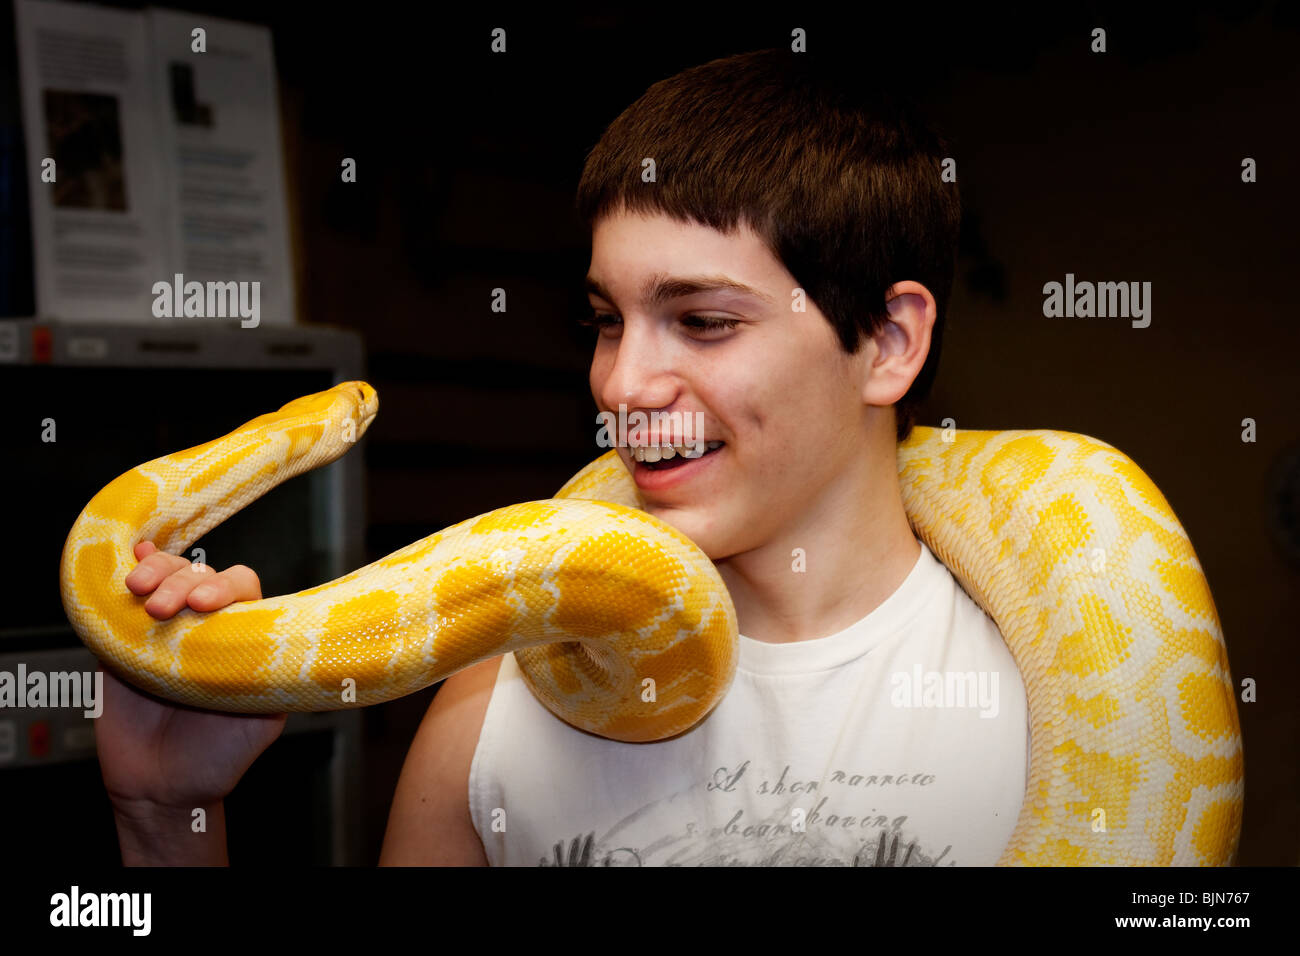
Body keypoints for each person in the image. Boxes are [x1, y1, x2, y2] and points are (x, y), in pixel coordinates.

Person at [98, 48, 1028, 867]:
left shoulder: (1046, 706)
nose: (622, 383)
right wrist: (166, 817)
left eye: (702, 322)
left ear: (890, 343)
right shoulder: (501, 685)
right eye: (605, 321)